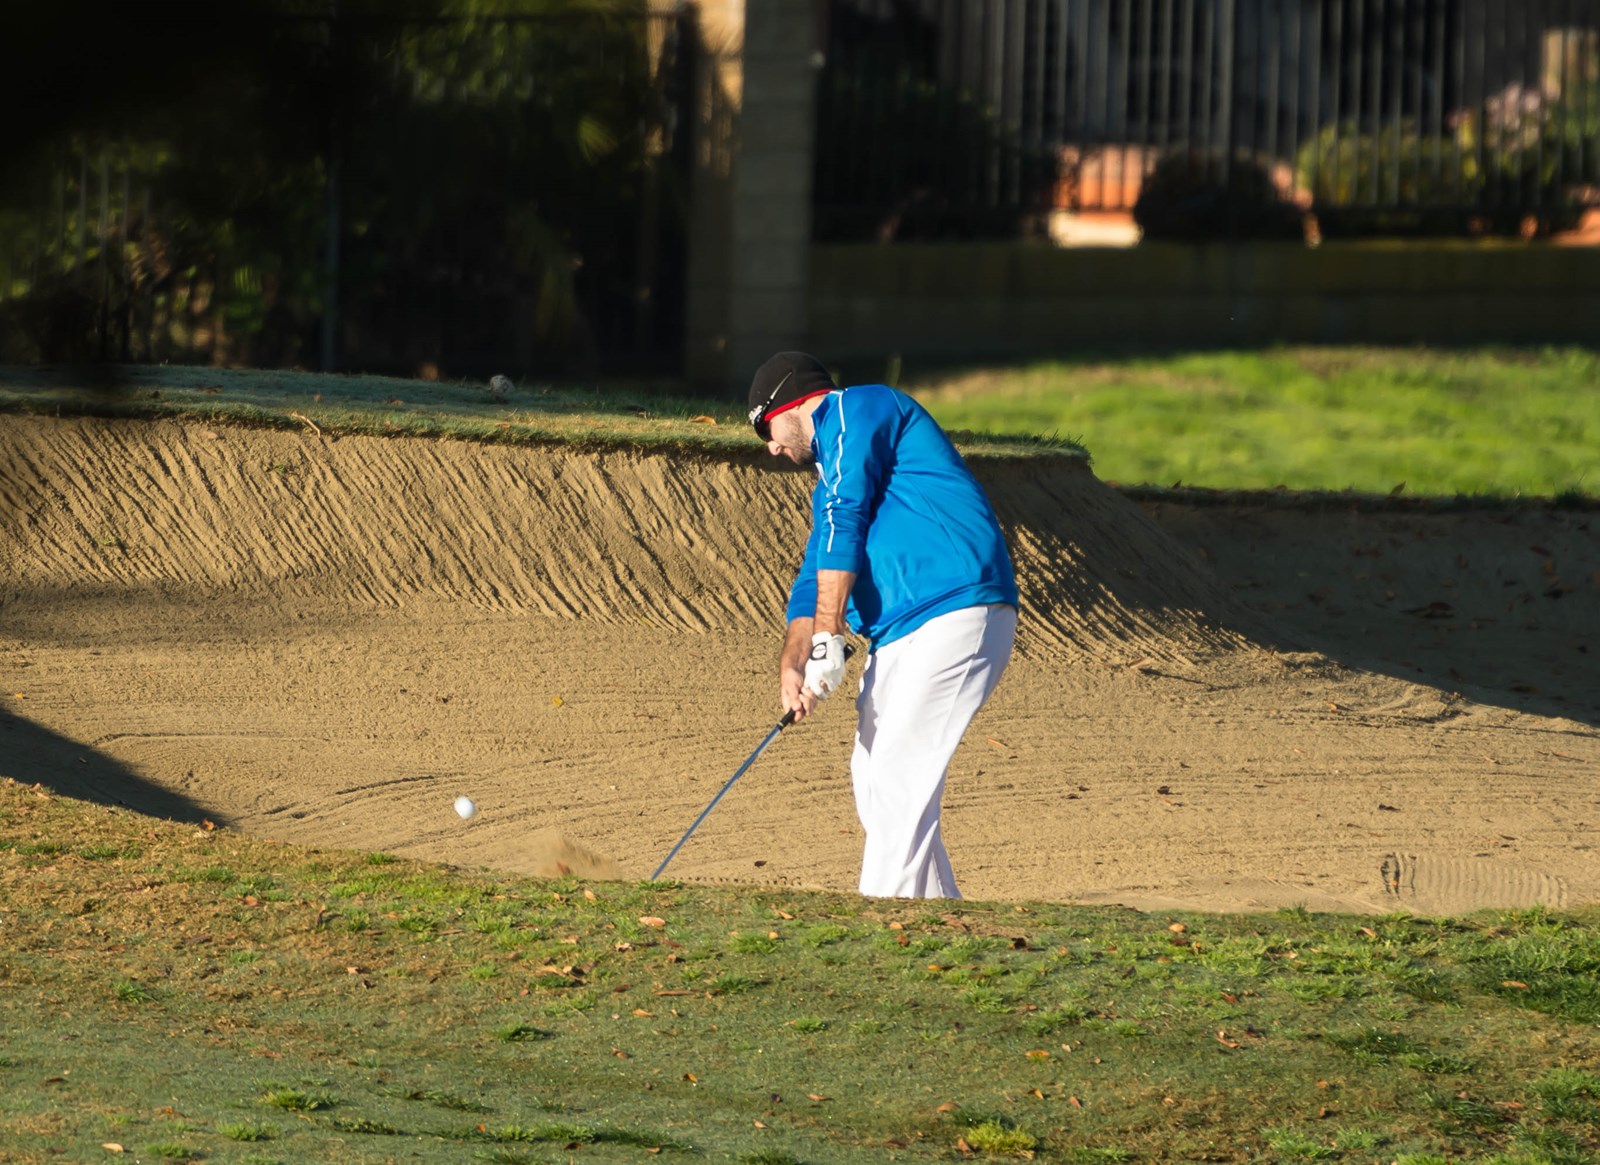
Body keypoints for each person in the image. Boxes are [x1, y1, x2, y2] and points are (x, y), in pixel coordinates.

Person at [746, 351, 1018, 899]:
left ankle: (880, 929)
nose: (772, 447)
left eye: (765, 428)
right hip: (902, 634)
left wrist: (830, 639)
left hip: (956, 611)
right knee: (876, 781)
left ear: (791, 400)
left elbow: (844, 522)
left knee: (897, 777)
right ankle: (943, 927)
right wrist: (794, 660)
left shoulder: (858, 408)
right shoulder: (834, 475)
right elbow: (813, 574)